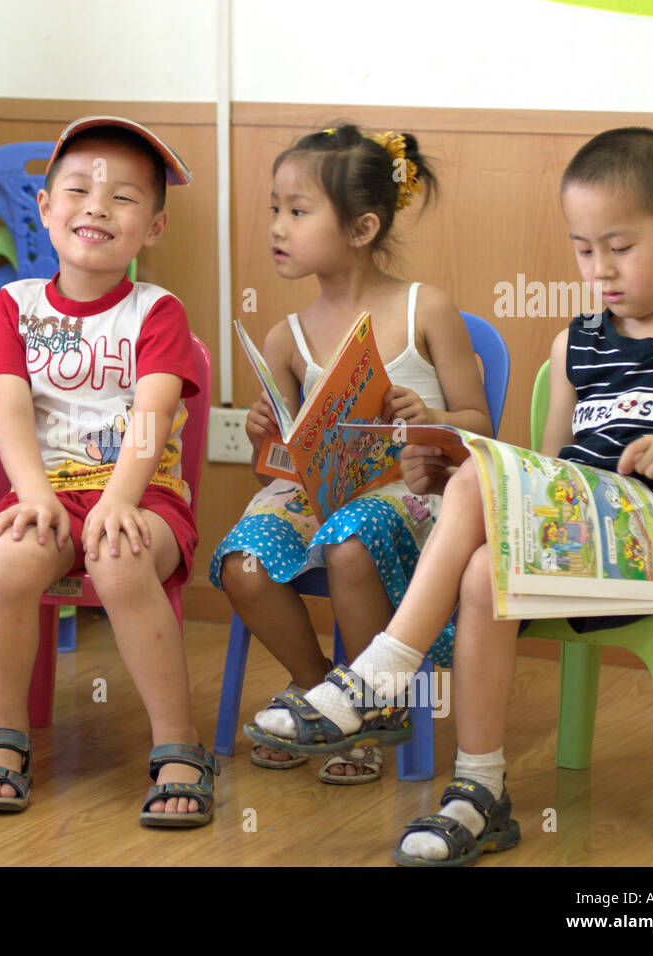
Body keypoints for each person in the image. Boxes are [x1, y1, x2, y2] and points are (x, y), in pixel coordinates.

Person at [253, 127, 653, 865]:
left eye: (620, 247)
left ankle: (382, 672)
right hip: (577, 541)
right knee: (488, 562)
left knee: (491, 502)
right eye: (584, 249)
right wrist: (454, 474)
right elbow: (546, 469)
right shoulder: (576, 342)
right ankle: (480, 792)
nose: (599, 270)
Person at [212, 125, 490, 783]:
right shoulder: (287, 338)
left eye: (298, 211)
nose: (278, 226)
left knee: (351, 538)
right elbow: (274, 469)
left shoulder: (427, 308)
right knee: (244, 561)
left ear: (361, 229)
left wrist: (434, 418)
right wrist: (262, 437)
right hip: (320, 492)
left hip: (410, 496)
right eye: (275, 208)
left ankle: (371, 699)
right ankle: (324, 697)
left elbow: (481, 425)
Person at [0, 117, 212, 826]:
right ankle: (5, 733)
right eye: (78, 189)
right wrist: (32, 494)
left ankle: (177, 744)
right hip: (48, 496)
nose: (97, 206)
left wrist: (122, 500)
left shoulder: (157, 312)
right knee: (7, 558)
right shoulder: (13, 308)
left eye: (124, 198)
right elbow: (8, 412)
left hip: (145, 497)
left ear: (154, 227)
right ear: (46, 209)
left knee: (120, 555)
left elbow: (153, 415)